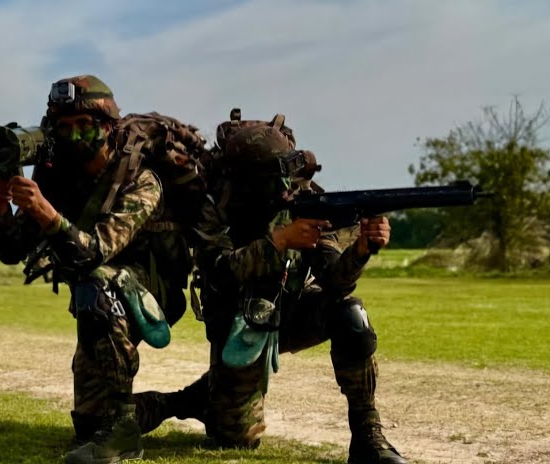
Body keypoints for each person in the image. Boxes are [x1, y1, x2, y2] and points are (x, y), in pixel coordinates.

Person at [135, 117, 408, 464]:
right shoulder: (215, 209)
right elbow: (219, 273)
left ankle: (368, 434)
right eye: (273, 179)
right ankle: (176, 402)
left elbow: (334, 282)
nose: (285, 188)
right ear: (248, 181)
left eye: (287, 177)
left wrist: (362, 250)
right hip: (239, 324)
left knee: (350, 314)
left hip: (293, 310)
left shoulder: (305, 200)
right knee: (236, 438)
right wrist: (277, 242)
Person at [0, 75, 193, 464]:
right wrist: (0, 207)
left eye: (84, 126)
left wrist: (47, 214)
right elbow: (12, 251)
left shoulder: (141, 181)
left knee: (96, 285)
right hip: (98, 297)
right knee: (87, 424)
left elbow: (96, 251)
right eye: (63, 127)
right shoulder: (59, 178)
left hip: (154, 292)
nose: (73, 136)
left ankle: (124, 432)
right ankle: (181, 403)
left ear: (108, 129)